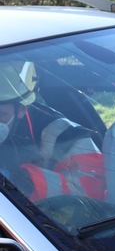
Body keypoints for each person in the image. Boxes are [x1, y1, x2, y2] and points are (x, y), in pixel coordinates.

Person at [0, 60, 105, 202]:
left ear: (22, 109)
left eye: (1, 114)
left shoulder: (63, 134)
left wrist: (23, 181)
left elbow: (91, 195)